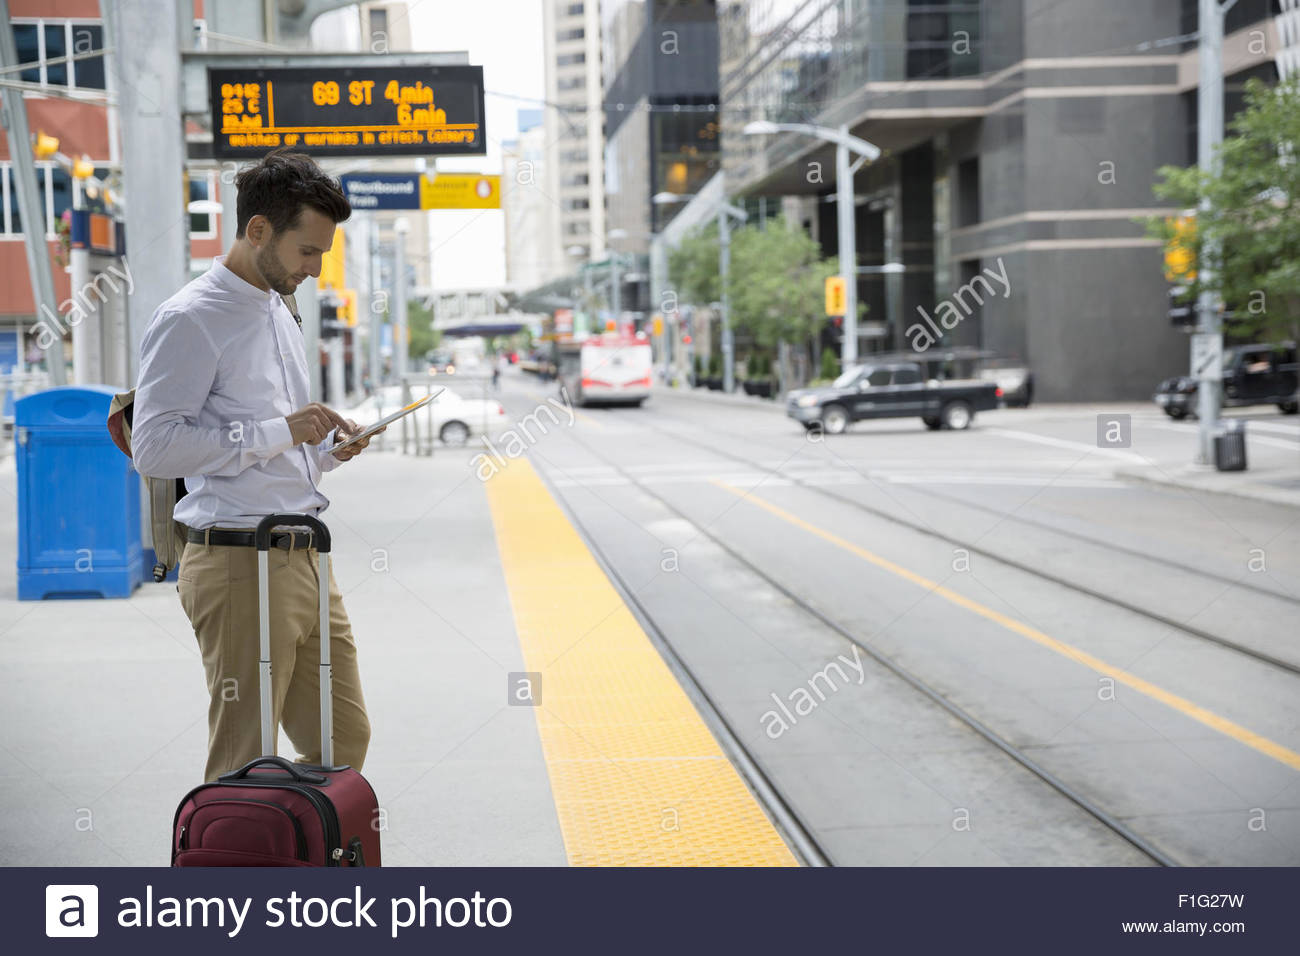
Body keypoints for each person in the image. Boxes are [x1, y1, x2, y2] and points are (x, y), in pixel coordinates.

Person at [132, 150, 376, 783]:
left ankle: (287, 855)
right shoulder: (191, 318)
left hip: (306, 557)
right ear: (259, 230)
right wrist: (278, 432)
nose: (315, 269)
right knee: (244, 756)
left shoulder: (279, 310)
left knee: (341, 741)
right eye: (307, 251)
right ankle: (232, 872)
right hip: (240, 558)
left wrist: (327, 448)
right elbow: (153, 447)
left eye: (322, 254)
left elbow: (282, 445)